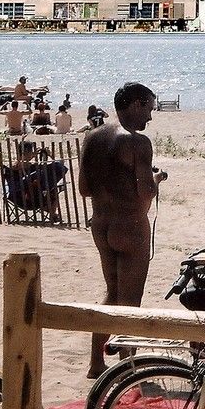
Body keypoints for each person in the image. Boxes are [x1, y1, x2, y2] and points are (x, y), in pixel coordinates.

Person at [78, 82, 166, 379]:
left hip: (100, 224)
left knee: (112, 292)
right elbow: (146, 191)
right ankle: (129, 366)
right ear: (135, 104)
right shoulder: (138, 142)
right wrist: (157, 179)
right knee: (131, 299)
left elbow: (84, 189)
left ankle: (95, 362)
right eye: (149, 108)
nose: (150, 118)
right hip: (129, 225)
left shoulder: (92, 137)